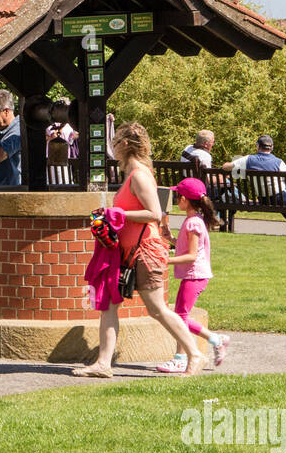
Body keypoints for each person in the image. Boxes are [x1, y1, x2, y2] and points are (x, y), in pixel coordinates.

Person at [73, 122, 203, 378]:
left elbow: (154, 213)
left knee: (157, 309)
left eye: (114, 142)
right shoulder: (132, 174)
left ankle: (195, 353)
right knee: (108, 306)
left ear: (123, 144)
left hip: (145, 251)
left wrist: (118, 213)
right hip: (126, 253)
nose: (112, 148)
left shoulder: (140, 175)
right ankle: (103, 364)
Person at [154, 178, 229, 373]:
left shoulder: (193, 223)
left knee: (180, 318)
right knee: (180, 317)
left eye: (178, 196)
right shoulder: (193, 221)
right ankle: (210, 342)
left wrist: (165, 261)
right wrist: (170, 238)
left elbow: (192, 255)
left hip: (195, 275)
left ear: (186, 200)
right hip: (192, 275)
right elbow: (185, 247)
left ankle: (185, 355)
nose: (176, 200)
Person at [223, 135, 286, 237]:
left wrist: (235, 161)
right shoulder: (278, 162)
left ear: (257, 146)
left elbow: (225, 167)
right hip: (279, 198)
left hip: (263, 199)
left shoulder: (247, 159)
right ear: (271, 147)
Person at [45, 98, 79, 186]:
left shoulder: (68, 126)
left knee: (61, 180)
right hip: (55, 159)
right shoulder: (68, 126)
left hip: (60, 159)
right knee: (60, 181)